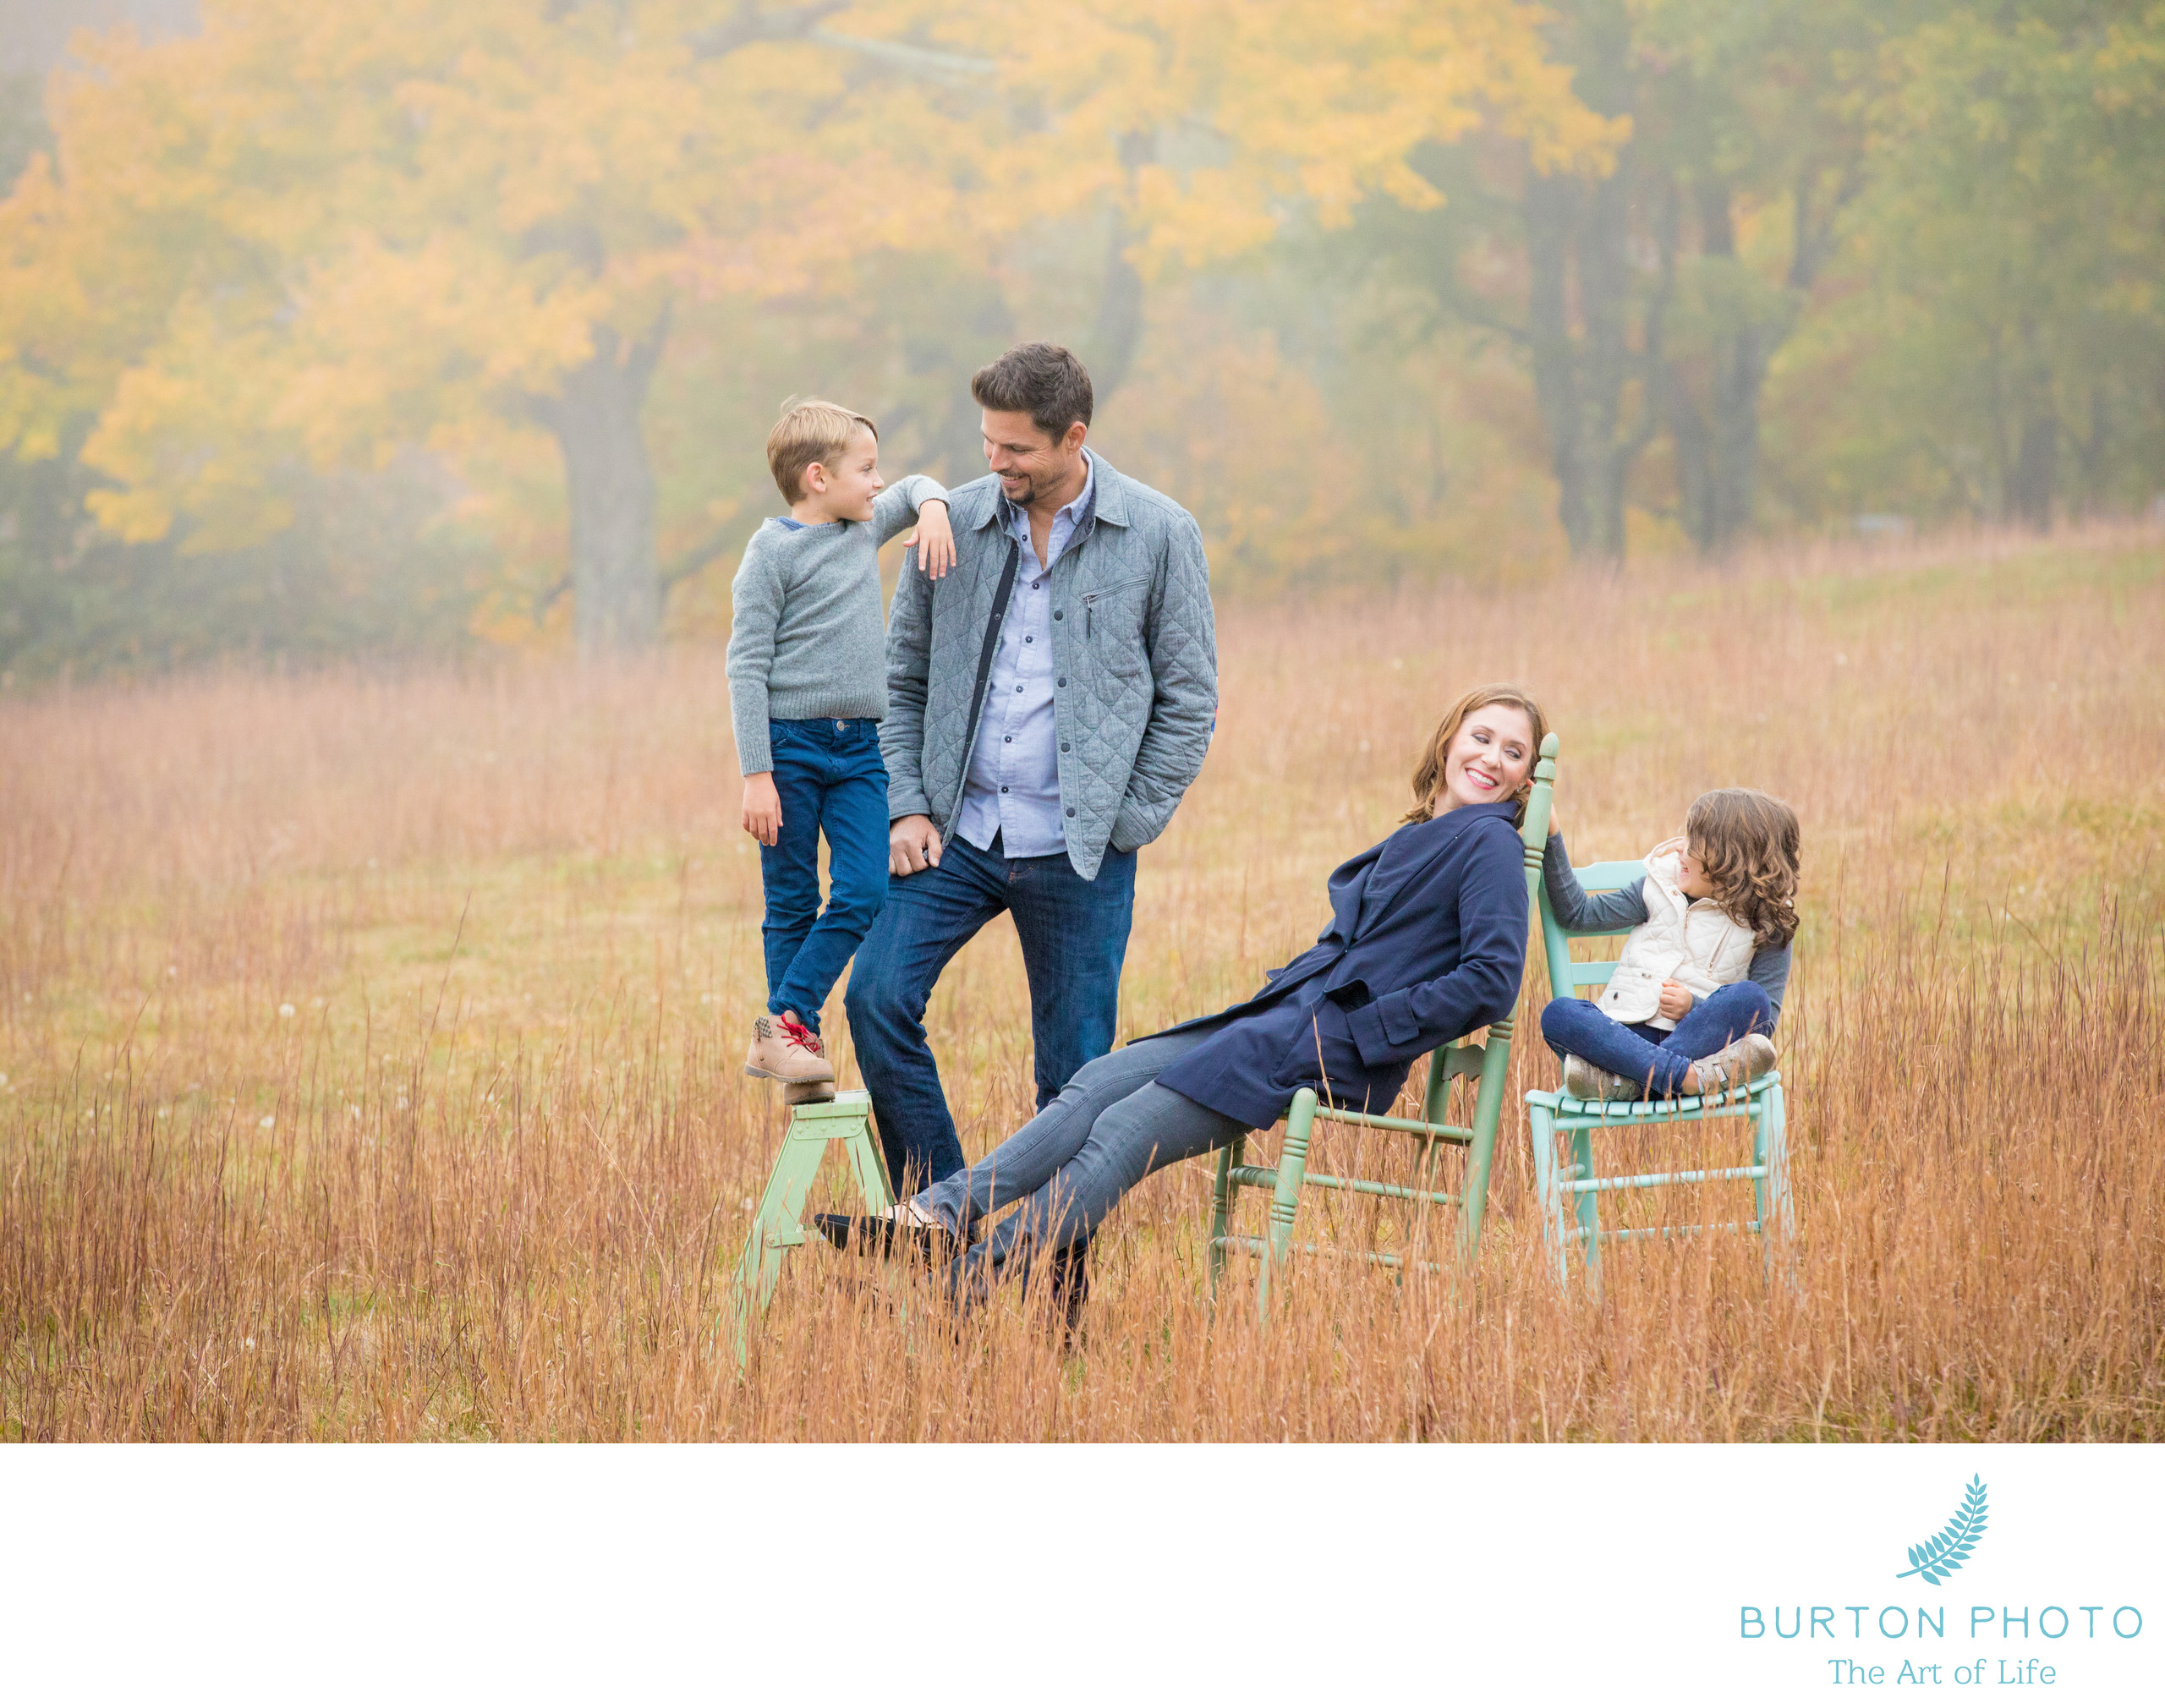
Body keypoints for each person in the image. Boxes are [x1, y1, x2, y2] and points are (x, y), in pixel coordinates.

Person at [820, 686, 1546, 1322]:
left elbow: (1492, 979)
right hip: (1282, 1017)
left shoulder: (1488, 846)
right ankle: (936, 1214)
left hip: (1327, 1041)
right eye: (1482, 736)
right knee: (1095, 1085)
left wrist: (1371, 1029)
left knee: (1124, 1133)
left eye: (1516, 752)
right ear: (1450, 739)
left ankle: (963, 1290)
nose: (1492, 757)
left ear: (1526, 779)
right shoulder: (1427, 831)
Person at [844, 342, 1220, 1211]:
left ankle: (1056, 1297)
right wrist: (905, 806)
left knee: (1076, 1084)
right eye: (987, 442)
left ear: (1071, 438)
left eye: (1015, 448)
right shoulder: (955, 525)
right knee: (875, 1001)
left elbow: (1190, 698)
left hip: (1082, 851)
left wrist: (1128, 820)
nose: (995, 461)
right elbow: (899, 684)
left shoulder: (1160, 533)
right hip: (955, 837)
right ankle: (946, 1232)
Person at [726, 399, 955, 1094]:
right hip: (787, 749)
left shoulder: (862, 527)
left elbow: (917, 488)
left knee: (862, 887)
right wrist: (756, 774)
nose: (878, 481)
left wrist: (937, 507)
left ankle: (781, 1022)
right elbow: (746, 665)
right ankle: (800, 1051)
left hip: (860, 750)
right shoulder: (771, 552)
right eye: (866, 468)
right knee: (791, 899)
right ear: (819, 477)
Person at [1537, 789, 1801, 1101]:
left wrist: (1693, 1007)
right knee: (1559, 1014)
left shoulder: (1769, 923)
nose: (1679, 849)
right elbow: (1577, 914)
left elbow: (1763, 1027)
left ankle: (1633, 1084)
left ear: (1731, 860)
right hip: (1626, 1038)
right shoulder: (1659, 886)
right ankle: (1684, 1080)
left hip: (1698, 1045)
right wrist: (1552, 832)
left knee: (1751, 999)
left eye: (1693, 843)